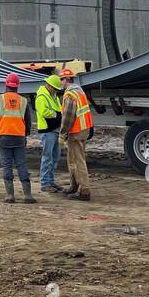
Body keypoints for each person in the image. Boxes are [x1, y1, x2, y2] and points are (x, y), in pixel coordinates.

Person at [0, 72, 36, 203]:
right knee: (22, 165)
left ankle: (10, 195)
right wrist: (25, 134)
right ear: (18, 86)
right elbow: (28, 122)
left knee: (7, 165)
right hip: (19, 137)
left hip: (3, 136)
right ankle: (28, 196)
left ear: (6, 84)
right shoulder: (23, 101)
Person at [58, 68, 94, 201]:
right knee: (72, 159)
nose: (61, 83)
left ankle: (84, 190)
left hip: (76, 131)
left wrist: (62, 134)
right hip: (83, 129)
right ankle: (74, 186)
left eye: (61, 79)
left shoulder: (70, 95)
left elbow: (68, 117)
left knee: (78, 161)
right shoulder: (80, 92)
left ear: (66, 80)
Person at [35, 73, 65, 193]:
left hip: (54, 130)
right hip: (47, 130)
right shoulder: (41, 96)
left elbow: (59, 110)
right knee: (48, 157)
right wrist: (57, 115)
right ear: (50, 86)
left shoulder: (54, 97)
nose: (56, 91)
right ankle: (45, 183)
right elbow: (43, 112)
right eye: (55, 89)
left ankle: (50, 182)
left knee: (55, 157)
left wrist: (59, 116)